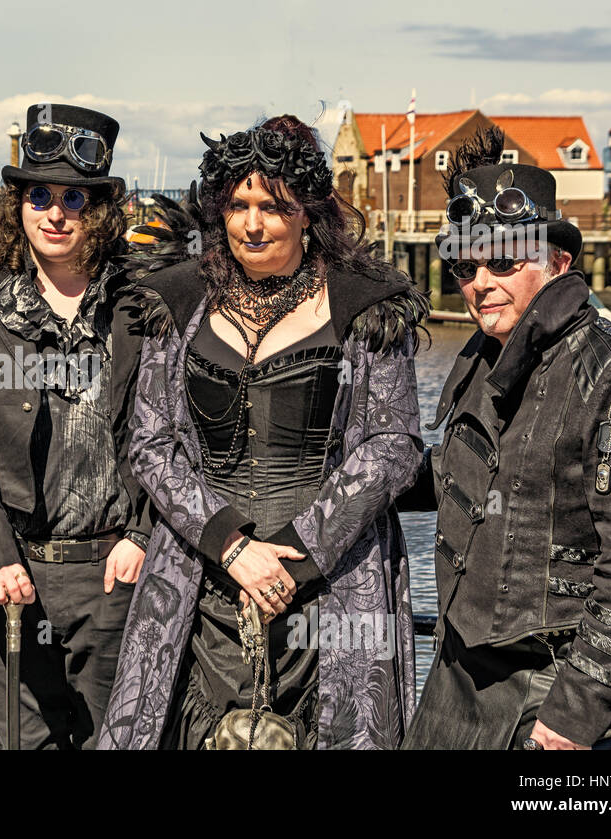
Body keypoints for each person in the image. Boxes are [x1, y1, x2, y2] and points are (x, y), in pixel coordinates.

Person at [100, 115, 429, 750]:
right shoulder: (175, 302)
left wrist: (297, 555)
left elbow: (392, 446)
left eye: (273, 207)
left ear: (308, 211)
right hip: (200, 580)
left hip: (330, 586)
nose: (253, 224)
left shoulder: (367, 303)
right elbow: (151, 441)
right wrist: (230, 546)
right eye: (238, 205)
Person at [399, 130, 611, 750]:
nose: (480, 282)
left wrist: (577, 711)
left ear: (558, 261)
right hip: (456, 677)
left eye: (503, 260)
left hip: (549, 690)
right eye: (465, 267)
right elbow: (458, 473)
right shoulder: (481, 354)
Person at [0, 103, 152, 749]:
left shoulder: (140, 299)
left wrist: (144, 532)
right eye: (39, 194)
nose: (55, 211)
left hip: (116, 570)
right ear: (20, 204)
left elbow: (167, 424)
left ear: (100, 207)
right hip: (18, 575)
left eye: (73, 196)